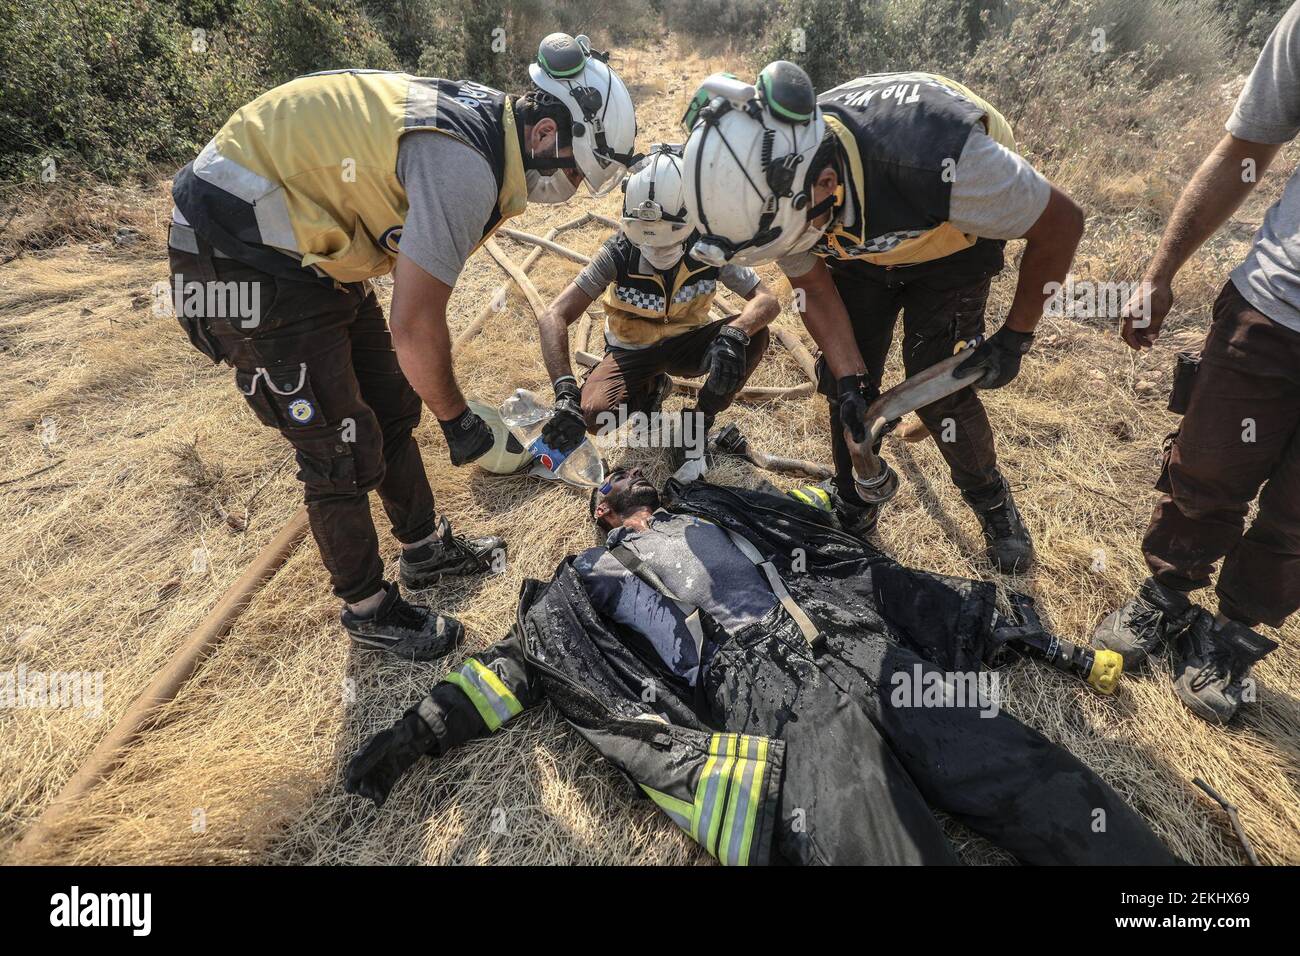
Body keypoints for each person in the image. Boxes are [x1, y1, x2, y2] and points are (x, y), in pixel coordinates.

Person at [345, 470, 1177, 865]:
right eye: (612, 478)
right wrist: (414, 732)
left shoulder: (719, 504)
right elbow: (526, 665)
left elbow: (824, 519)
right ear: (602, 512)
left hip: (853, 644)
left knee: (1025, 771)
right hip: (765, 698)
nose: (627, 470)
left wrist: (747, 471)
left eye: (638, 463)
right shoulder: (582, 581)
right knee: (881, 853)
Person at [166, 34, 637, 660]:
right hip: (239, 250)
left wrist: (436, 405)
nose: (571, 189)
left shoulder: (490, 134)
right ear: (546, 133)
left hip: (308, 246)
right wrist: (457, 417)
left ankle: (422, 550)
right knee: (338, 440)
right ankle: (368, 611)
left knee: (388, 402)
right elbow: (414, 327)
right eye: (577, 171)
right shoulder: (467, 170)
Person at [682, 62, 1084, 565]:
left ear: (825, 184)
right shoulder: (772, 190)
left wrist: (1016, 336)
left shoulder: (948, 162)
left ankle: (993, 503)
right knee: (842, 385)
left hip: (951, 247)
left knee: (941, 387)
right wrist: (850, 378)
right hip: (857, 251)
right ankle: (855, 498)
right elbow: (810, 279)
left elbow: (1063, 224)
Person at [1091, 6, 1300, 724]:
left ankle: (1234, 634)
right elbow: (1244, 152)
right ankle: (1166, 596)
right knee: (1204, 468)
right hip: (1274, 306)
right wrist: (1159, 270)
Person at [535, 144, 779, 465]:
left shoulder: (709, 247)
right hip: (630, 352)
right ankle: (651, 390)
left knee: (755, 336)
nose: (657, 249)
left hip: (687, 345)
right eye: (646, 238)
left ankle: (699, 419)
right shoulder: (619, 251)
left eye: (669, 236)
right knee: (592, 414)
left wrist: (735, 333)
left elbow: (767, 300)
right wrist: (565, 392)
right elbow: (554, 314)